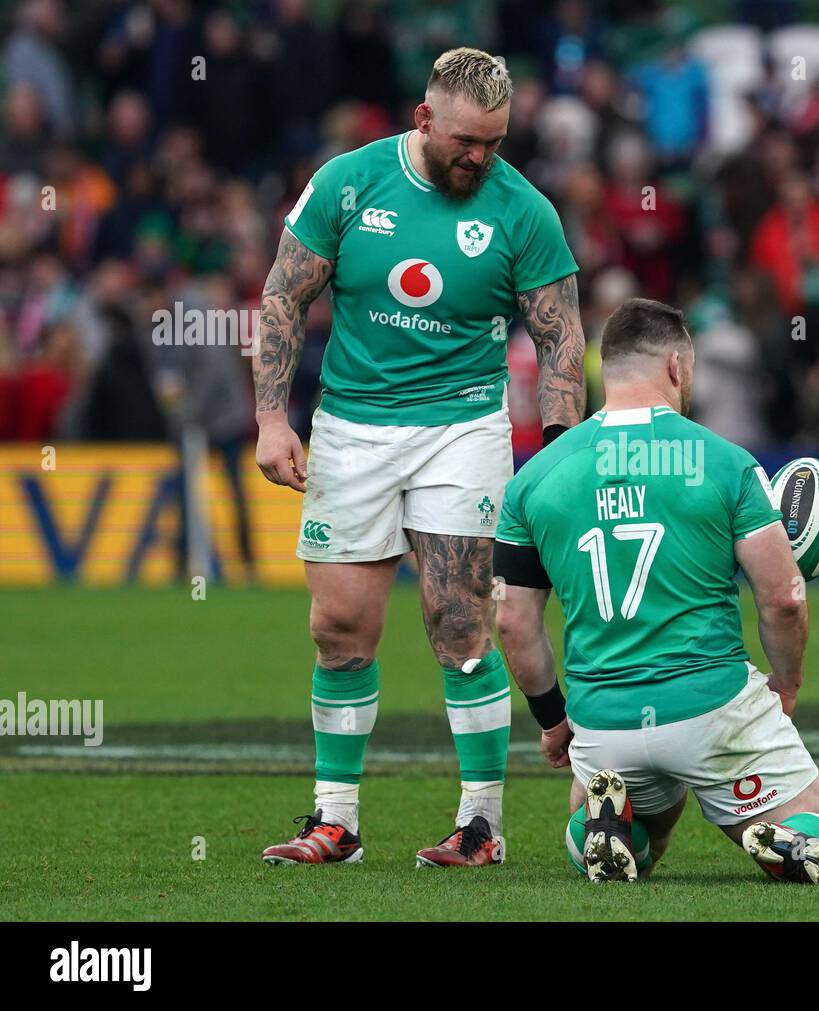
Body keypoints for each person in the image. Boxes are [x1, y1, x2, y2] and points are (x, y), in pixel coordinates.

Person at [256, 48, 587, 868]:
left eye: (497, 144)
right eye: (467, 141)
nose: (481, 157)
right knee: (339, 628)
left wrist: (559, 454)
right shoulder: (347, 182)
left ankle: (482, 825)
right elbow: (283, 295)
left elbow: (561, 338)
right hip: (350, 429)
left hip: (462, 428)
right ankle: (336, 822)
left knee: (462, 625)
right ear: (424, 120)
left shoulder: (525, 212)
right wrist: (270, 416)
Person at [492, 297, 819, 885]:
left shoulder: (533, 478)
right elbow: (783, 597)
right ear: (677, 366)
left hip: (603, 718)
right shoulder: (724, 462)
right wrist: (787, 682)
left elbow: (514, 622)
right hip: (711, 704)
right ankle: (793, 842)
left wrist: (553, 719)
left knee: (649, 829)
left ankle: (606, 828)